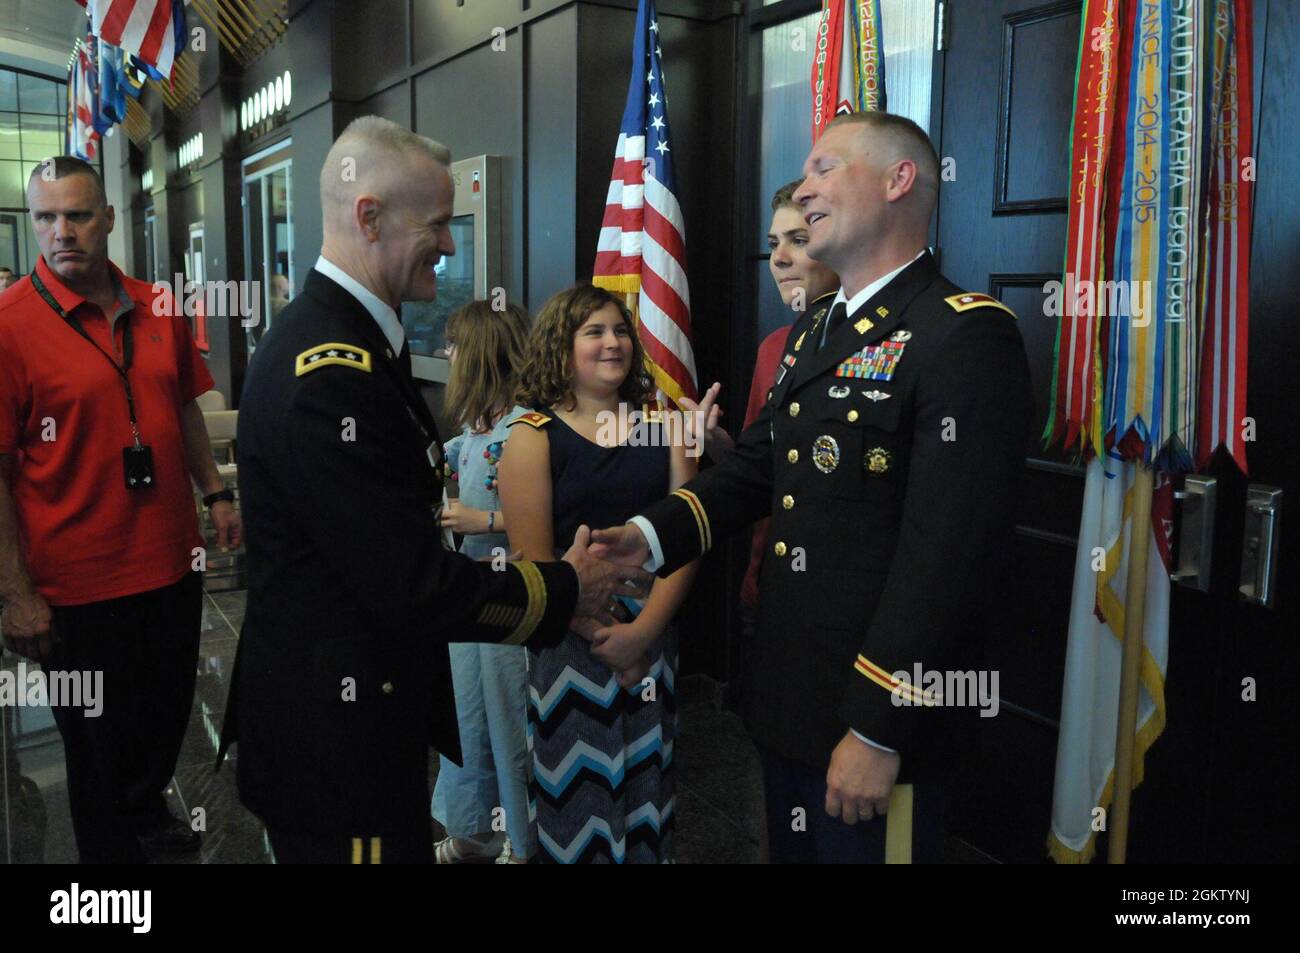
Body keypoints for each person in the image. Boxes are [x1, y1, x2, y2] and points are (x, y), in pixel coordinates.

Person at [594, 111, 1033, 863]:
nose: (804, 187)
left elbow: (946, 558)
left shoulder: (964, 334)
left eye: (826, 168)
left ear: (900, 181)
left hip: (878, 719)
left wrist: (877, 725)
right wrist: (650, 535)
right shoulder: (814, 329)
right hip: (793, 700)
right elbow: (759, 469)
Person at [219, 116, 648, 865]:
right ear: (370, 215)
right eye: (439, 223)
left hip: (353, 716)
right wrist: (559, 587)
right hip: (334, 741)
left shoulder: (348, 340)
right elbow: (409, 581)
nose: (450, 245)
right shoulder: (332, 372)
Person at [0, 156, 242, 863]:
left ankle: (146, 815)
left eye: (77, 215)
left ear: (108, 218)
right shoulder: (10, 325)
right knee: (96, 751)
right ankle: (113, 879)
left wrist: (216, 492)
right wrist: (16, 594)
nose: (61, 232)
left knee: (163, 720)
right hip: (75, 587)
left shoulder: (158, 304)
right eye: (45, 217)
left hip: (170, 565)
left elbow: (183, 408)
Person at [498, 284, 699, 863]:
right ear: (562, 347)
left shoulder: (665, 425)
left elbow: (690, 539)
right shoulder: (532, 435)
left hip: (653, 635)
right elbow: (538, 569)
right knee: (579, 816)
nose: (613, 343)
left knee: (647, 802)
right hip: (570, 646)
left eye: (619, 331)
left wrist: (642, 635)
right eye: (594, 332)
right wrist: (606, 639)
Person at [430, 300, 536, 864]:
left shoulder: (525, 428)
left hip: (508, 599)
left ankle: (521, 841)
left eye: (454, 345)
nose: (447, 355)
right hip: (467, 597)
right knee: (466, 715)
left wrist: (484, 521)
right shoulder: (476, 430)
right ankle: (473, 831)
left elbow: (551, 515)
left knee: (508, 721)